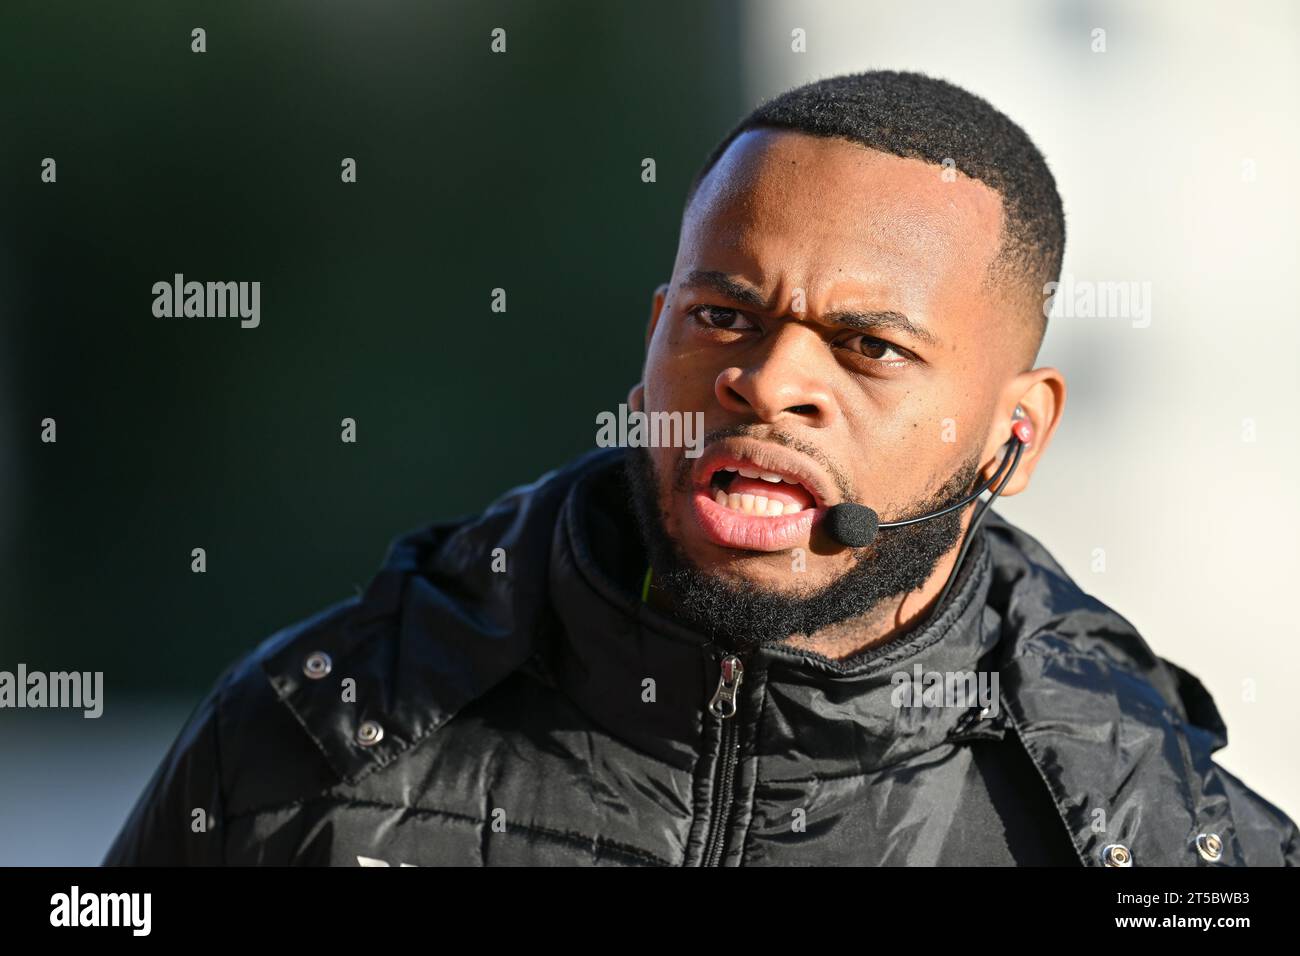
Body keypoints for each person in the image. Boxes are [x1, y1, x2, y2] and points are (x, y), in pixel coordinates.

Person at [104, 70, 1297, 867]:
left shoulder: (1157, 841)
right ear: (654, 338)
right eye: (722, 318)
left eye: (869, 346)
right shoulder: (318, 727)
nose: (770, 381)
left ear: (1014, 435)